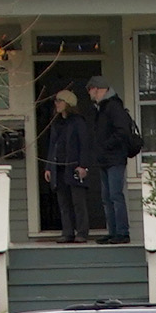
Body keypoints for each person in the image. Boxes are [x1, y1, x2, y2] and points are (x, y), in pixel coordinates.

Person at [82, 75, 144, 243]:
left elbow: (122, 132)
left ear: (97, 88)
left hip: (115, 158)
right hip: (105, 159)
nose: (89, 94)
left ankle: (122, 233)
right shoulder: (101, 108)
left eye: (90, 90)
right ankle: (113, 231)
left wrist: (105, 146)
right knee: (107, 197)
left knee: (115, 195)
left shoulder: (113, 106)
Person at [40, 87, 94, 242]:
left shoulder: (78, 122)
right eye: (56, 101)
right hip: (58, 168)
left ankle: (82, 232)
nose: (56, 103)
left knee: (78, 202)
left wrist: (83, 166)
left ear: (68, 103)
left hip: (74, 167)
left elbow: (84, 145)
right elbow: (52, 146)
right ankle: (67, 232)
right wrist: (49, 167)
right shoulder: (56, 123)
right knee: (63, 202)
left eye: (59, 100)